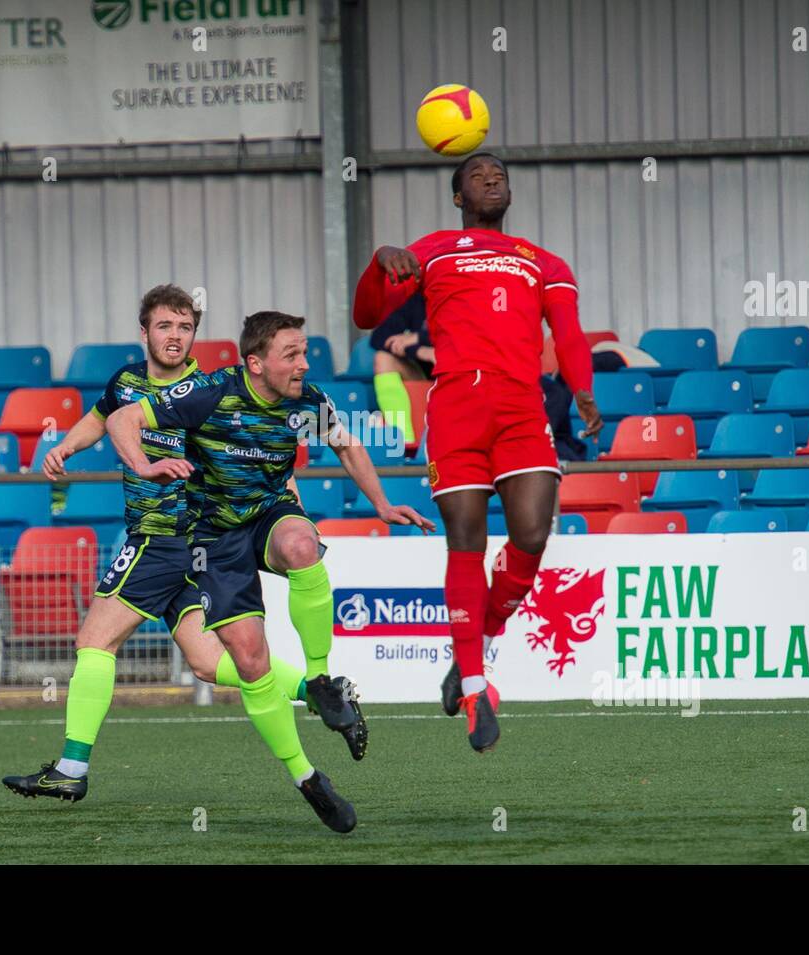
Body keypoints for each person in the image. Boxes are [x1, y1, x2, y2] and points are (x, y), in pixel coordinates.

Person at [1, 285, 356, 806]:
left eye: (185, 327)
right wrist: (64, 449)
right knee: (212, 664)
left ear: (195, 334)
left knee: (95, 641)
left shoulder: (206, 389)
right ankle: (318, 692)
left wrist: (286, 506)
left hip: (166, 535)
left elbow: (263, 456)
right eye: (165, 326)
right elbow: (102, 417)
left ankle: (72, 769)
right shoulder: (126, 384)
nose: (175, 336)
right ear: (144, 332)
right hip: (194, 548)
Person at [106, 311, 434, 832]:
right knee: (251, 662)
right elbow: (121, 420)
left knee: (304, 543)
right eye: (292, 355)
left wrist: (382, 504)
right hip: (212, 539)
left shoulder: (307, 400)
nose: (304, 364)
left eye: (304, 353)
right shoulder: (210, 394)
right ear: (256, 364)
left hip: (268, 515)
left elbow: (346, 444)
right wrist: (144, 465)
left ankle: (323, 680)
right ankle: (308, 780)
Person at [352, 151, 603, 753]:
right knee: (465, 539)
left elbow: (566, 334)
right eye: (476, 175)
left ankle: (476, 644)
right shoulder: (434, 249)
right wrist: (378, 262)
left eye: (500, 174)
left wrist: (585, 388)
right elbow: (365, 316)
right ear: (458, 196)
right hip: (458, 409)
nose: (492, 179)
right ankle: (473, 685)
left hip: (521, 408)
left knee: (532, 534)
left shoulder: (544, 262)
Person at [370, 292, 433, 443]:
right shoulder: (420, 299)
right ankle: (402, 439)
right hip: (426, 378)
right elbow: (379, 337)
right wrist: (418, 350)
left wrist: (419, 338)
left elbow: (468, 334)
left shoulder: (466, 297)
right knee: (383, 359)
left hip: (466, 374)